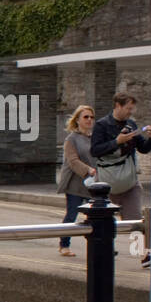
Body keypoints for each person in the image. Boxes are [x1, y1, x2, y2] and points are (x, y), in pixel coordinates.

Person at [91, 92, 151, 265]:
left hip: (129, 182)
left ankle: (146, 254)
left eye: (132, 109)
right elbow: (95, 150)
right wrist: (117, 141)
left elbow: (142, 148)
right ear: (117, 106)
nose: (131, 112)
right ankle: (105, 250)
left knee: (136, 220)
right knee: (105, 221)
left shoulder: (131, 124)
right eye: (128, 108)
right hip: (107, 184)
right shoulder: (101, 125)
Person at [56, 105, 98, 257]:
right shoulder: (71, 139)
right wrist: (88, 169)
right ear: (78, 120)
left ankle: (98, 245)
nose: (89, 120)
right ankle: (64, 245)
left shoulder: (94, 138)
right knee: (72, 214)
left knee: (96, 216)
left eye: (91, 117)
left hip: (91, 184)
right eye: (86, 117)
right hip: (75, 183)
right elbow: (72, 160)